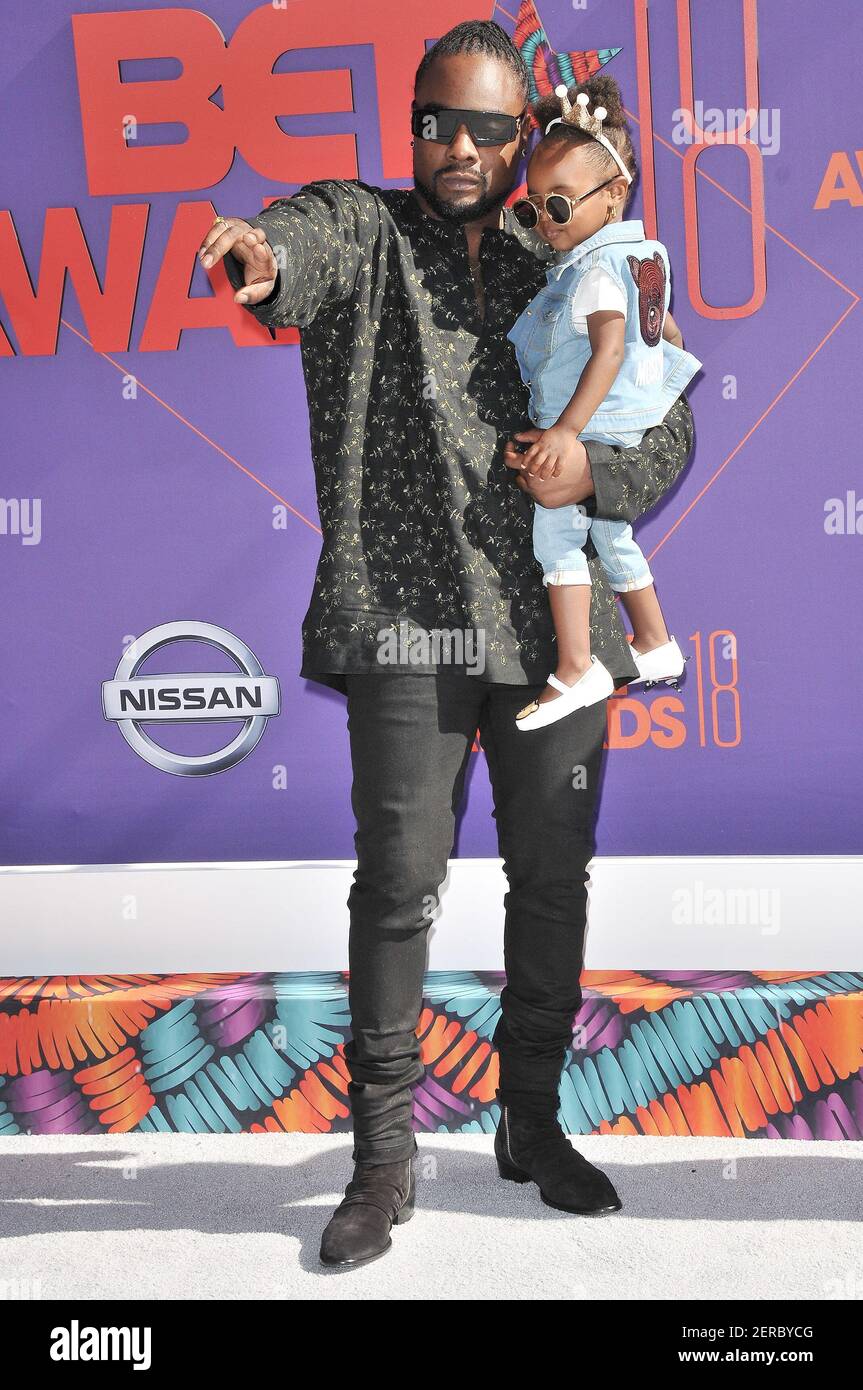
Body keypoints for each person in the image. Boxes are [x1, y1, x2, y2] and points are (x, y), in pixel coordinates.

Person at [198, 19, 695, 1268]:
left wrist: (600, 462)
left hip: (553, 624)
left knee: (553, 879)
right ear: (410, 124)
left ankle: (531, 1125)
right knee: (398, 887)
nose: (458, 147)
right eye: (435, 121)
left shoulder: (574, 242)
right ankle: (381, 1163)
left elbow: (665, 427)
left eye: (485, 127)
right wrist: (263, 255)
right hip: (405, 619)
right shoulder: (364, 233)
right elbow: (294, 246)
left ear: (525, 133)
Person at [506, 75, 702, 730]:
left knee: (555, 533)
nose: (544, 224)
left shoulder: (592, 270)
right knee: (610, 531)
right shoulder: (644, 254)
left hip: (600, 421)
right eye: (531, 209)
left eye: (557, 207)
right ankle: (653, 640)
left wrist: (565, 431)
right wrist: (663, 357)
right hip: (636, 415)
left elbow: (609, 350)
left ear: (613, 195)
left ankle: (576, 666)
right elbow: (663, 328)